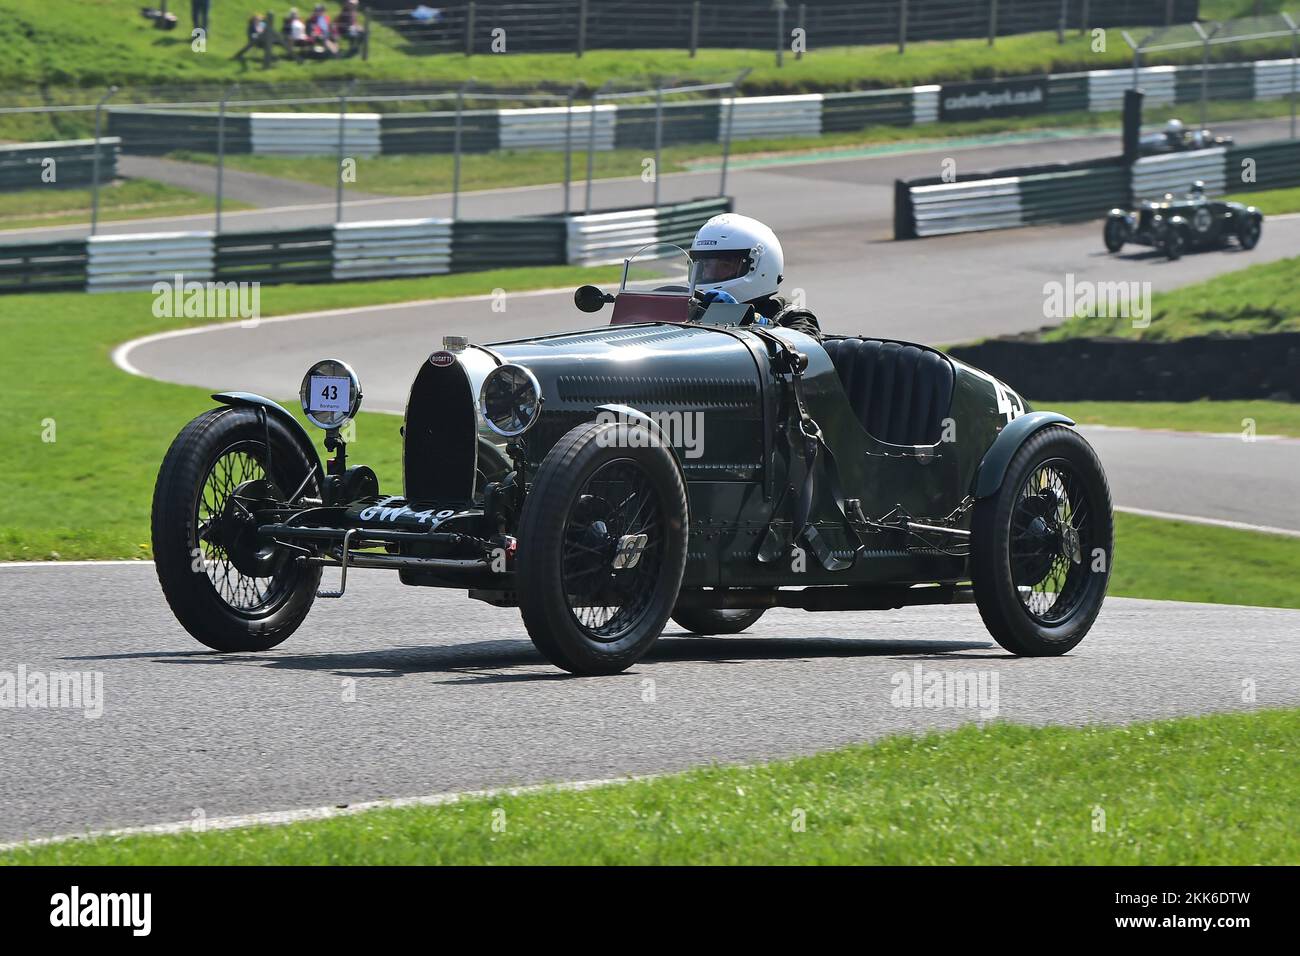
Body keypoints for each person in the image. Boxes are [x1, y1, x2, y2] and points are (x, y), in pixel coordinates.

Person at [688, 213, 821, 339]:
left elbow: (806, 351)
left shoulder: (794, 317)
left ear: (759, 266)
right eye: (705, 266)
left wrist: (750, 320)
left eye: (724, 266)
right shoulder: (693, 312)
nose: (710, 274)